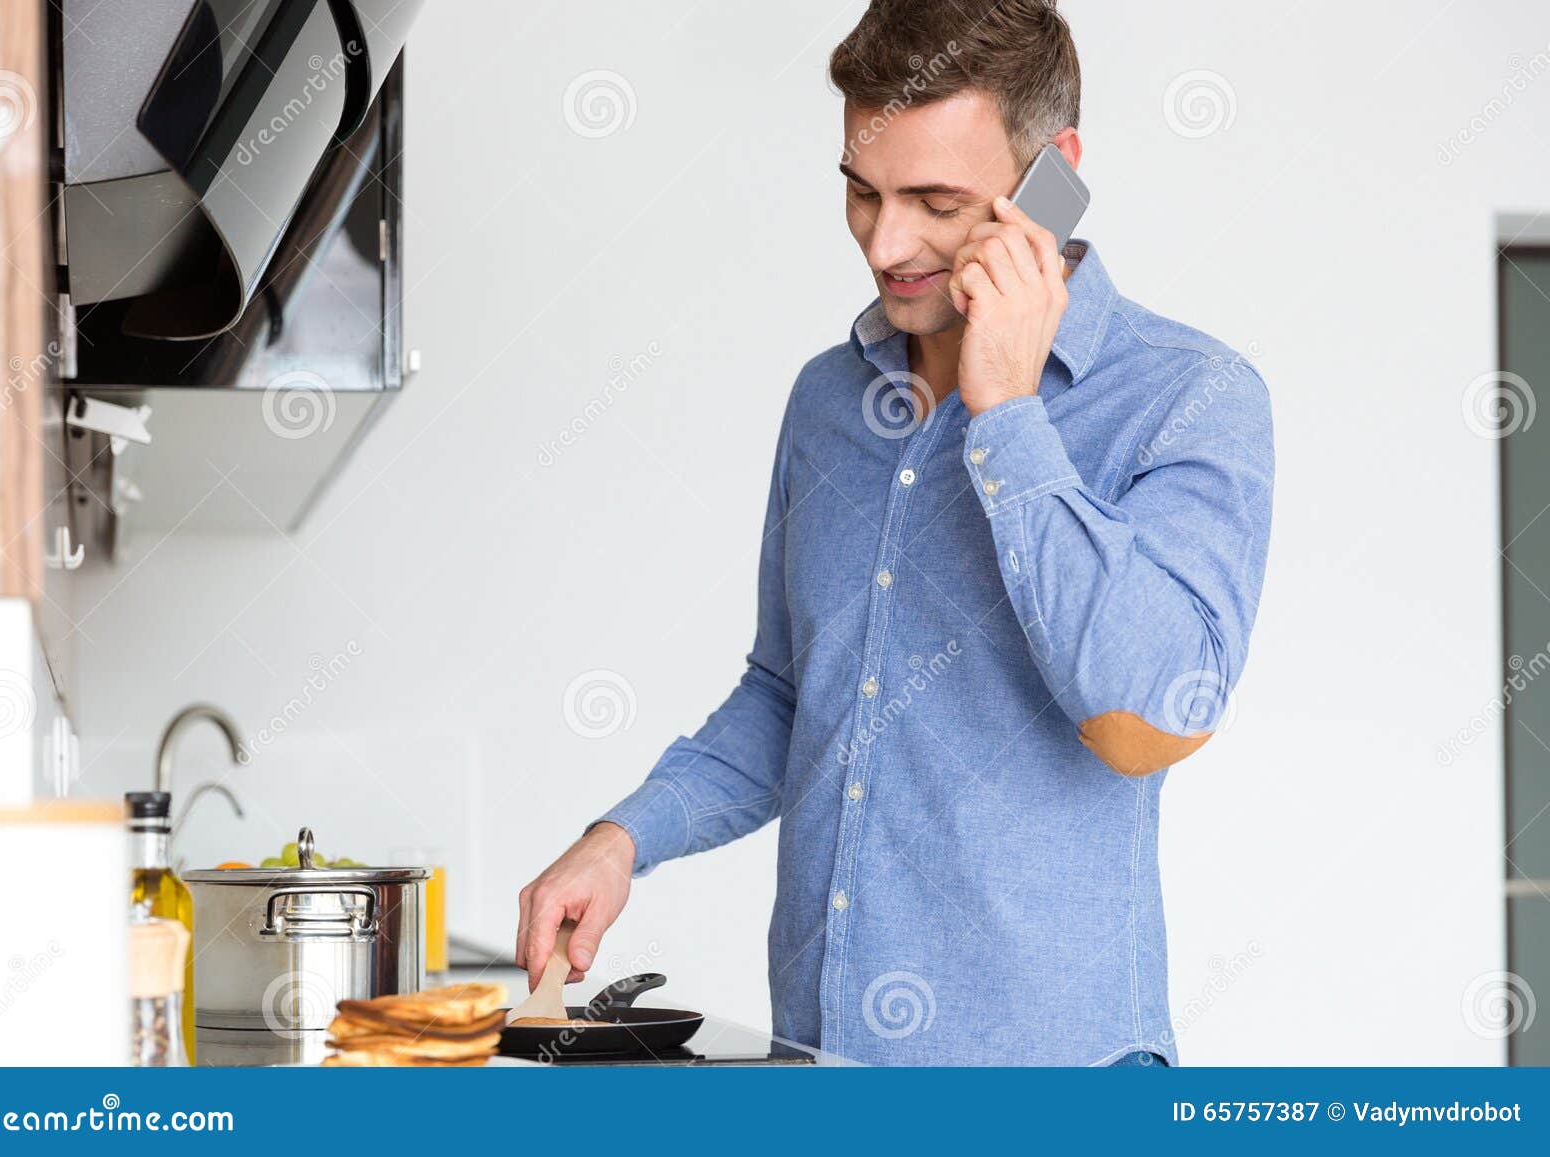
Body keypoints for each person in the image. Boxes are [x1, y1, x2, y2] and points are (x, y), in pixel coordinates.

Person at [517, 0, 1274, 1066]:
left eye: (935, 201)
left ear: (1052, 178)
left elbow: (1147, 720)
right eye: (862, 190)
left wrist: (1008, 416)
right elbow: (793, 693)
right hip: (820, 1069)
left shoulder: (1188, 397)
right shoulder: (827, 402)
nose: (885, 242)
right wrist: (623, 836)